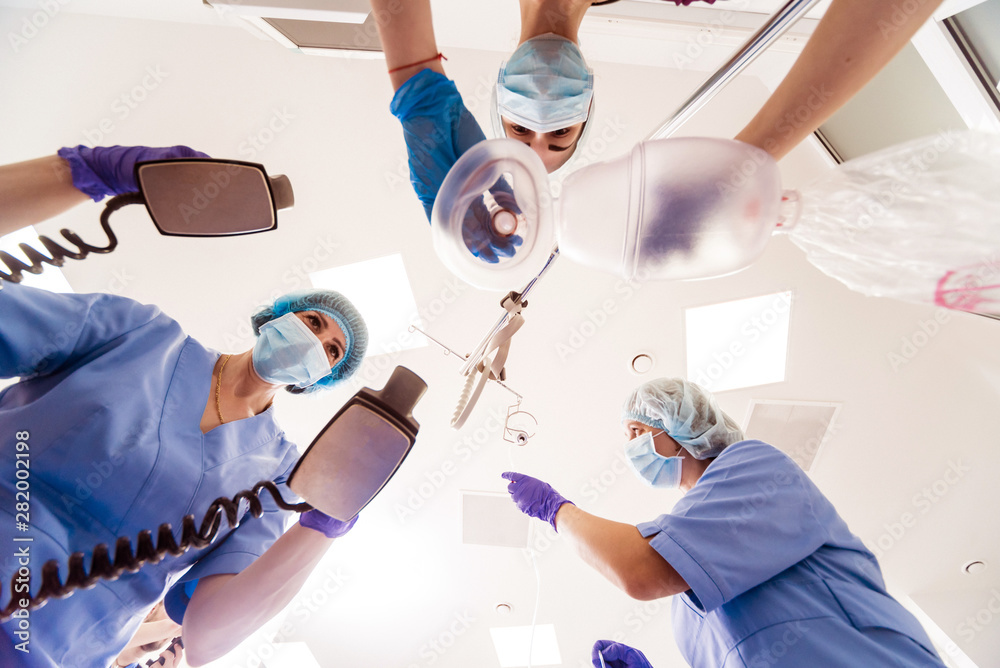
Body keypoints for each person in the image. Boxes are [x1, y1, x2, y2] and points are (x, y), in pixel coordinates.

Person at [0, 146, 370, 668]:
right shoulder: (142, 333)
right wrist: (74, 176)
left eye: (331, 351)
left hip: (50, 648)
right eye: (313, 322)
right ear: (276, 316)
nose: (315, 343)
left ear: (322, 379)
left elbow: (209, 638)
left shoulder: (281, 476)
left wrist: (322, 531)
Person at [503, 378, 948, 667]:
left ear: (678, 426)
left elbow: (638, 571)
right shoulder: (686, 602)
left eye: (638, 432)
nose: (631, 448)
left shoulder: (754, 466)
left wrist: (555, 509)